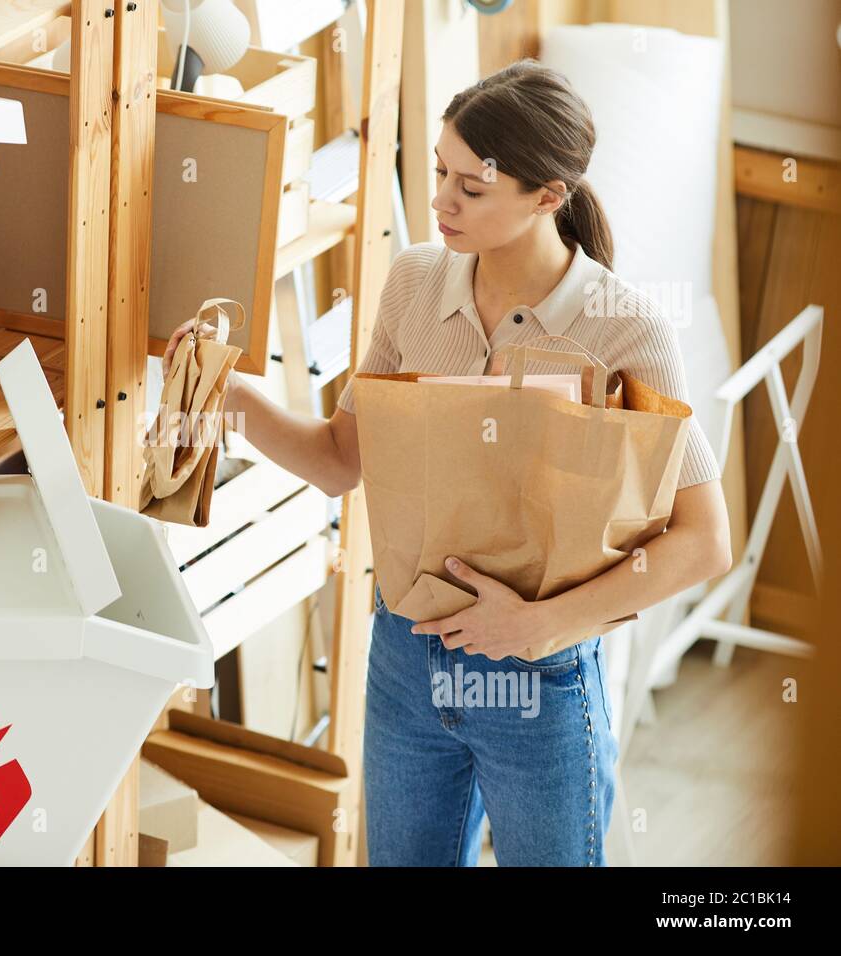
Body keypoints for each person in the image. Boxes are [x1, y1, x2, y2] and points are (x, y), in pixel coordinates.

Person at [161, 60, 733, 866]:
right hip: (405, 660)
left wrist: (539, 625)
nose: (440, 201)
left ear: (548, 196)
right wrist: (235, 393)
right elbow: (340, 462)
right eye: (439, 173)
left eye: (472, 186)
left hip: (541, 678)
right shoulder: (413, 286)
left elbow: (705, 540)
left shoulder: (626, 330)